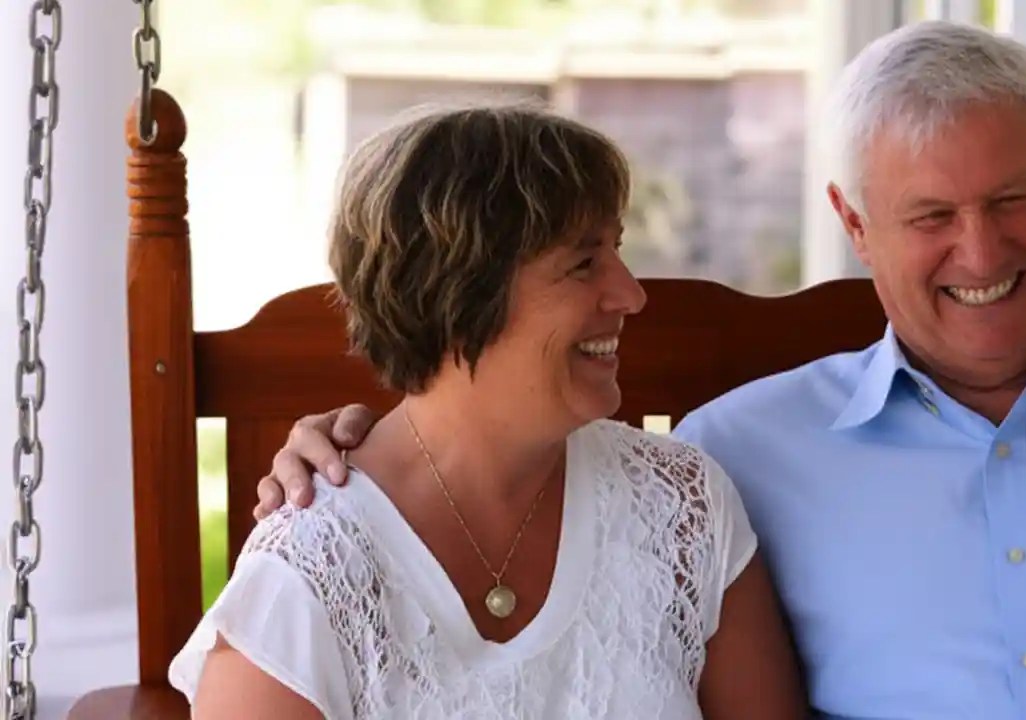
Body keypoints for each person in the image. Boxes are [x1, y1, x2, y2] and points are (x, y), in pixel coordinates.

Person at [257, 21, 1026, 720]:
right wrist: (356, 456)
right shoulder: (740, 451)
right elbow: (458, 445)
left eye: (1011, 201)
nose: (979, 254)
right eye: (929, 216)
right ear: (852, 225)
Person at [167, 103, 807, 719]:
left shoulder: (683, 508)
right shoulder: (308, 573)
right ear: (456, 293)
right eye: (584, 264)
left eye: (617, 249)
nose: (631, 294)